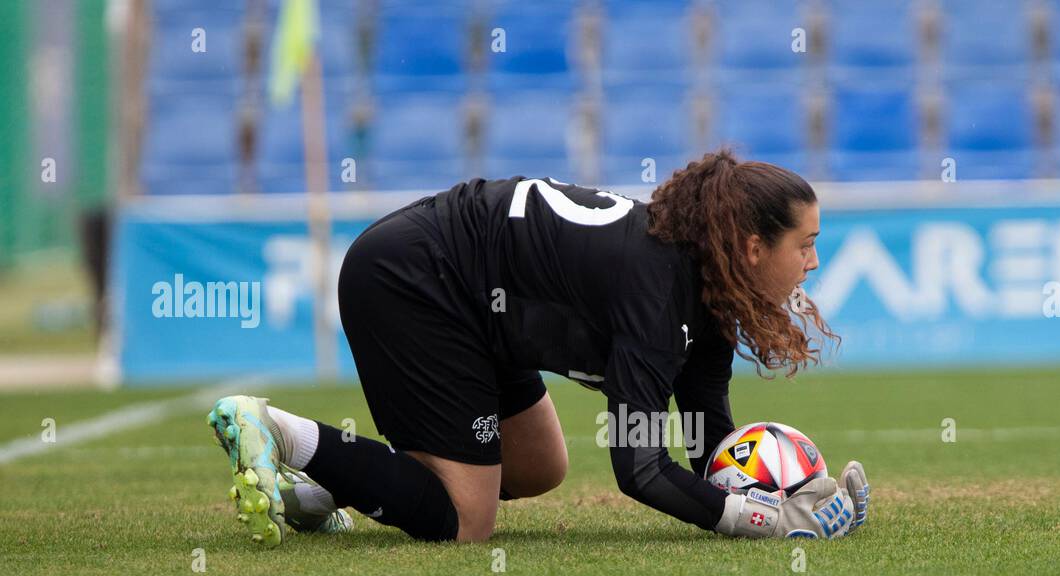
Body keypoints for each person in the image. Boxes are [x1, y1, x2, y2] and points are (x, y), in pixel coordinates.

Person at [206, 148, 868, 546]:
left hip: (483, 304)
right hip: (417, 279)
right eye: (805, 243)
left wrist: (792, 496)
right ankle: (280, 432)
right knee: (468, 520)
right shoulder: (658, 289)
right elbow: (637, 468)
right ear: (754, 248)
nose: (813, 262)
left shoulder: (708, 280)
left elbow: (705, 441)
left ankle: (326, 489)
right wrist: (759, 522)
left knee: (538, 467)